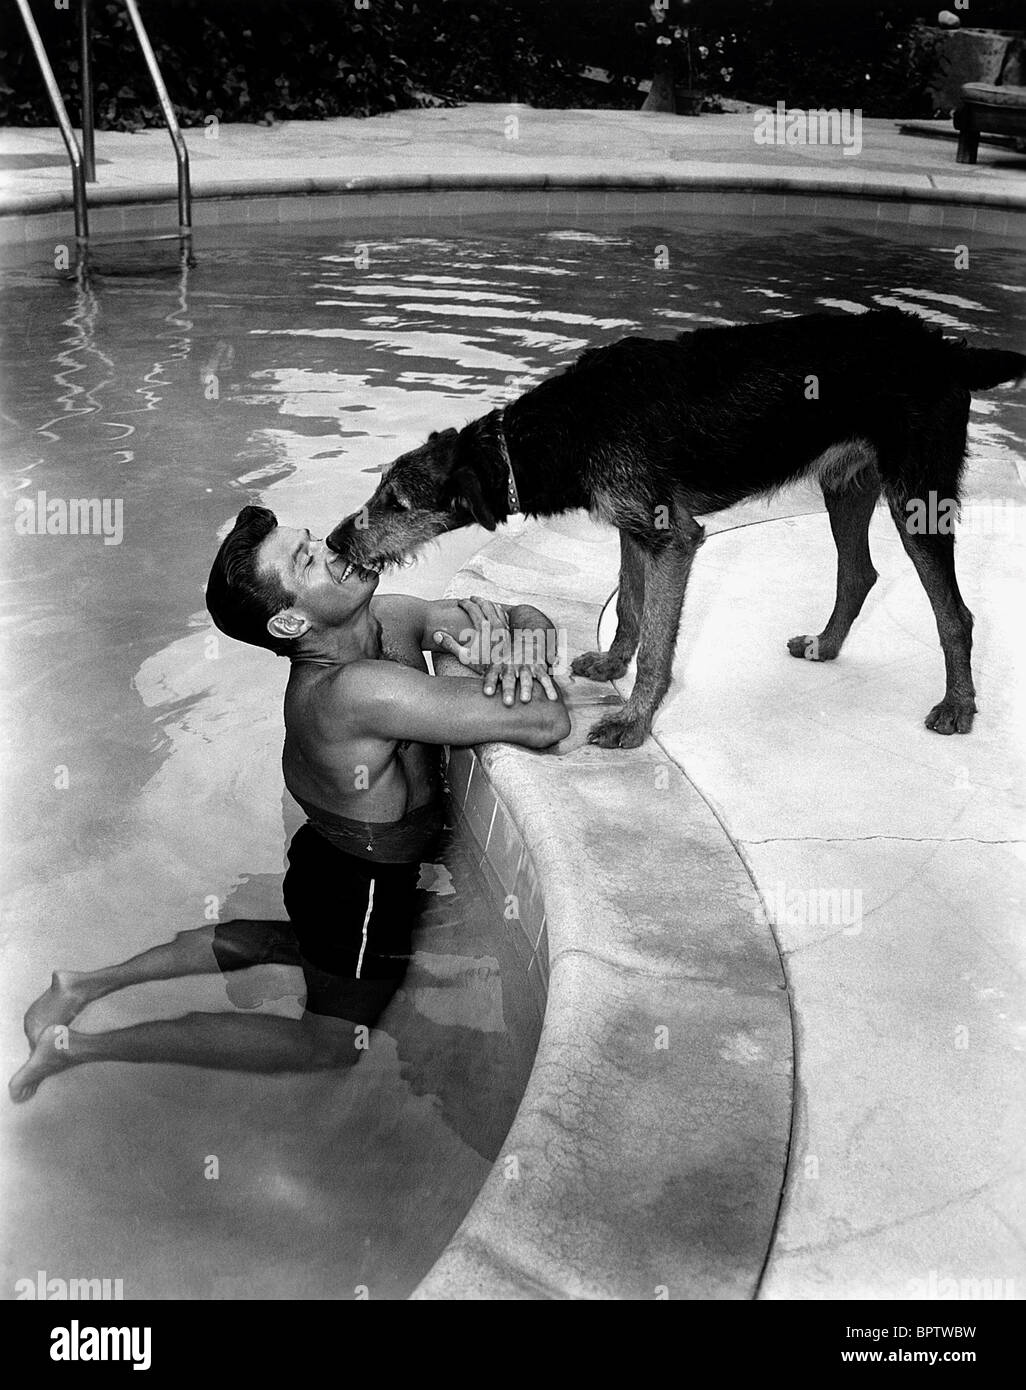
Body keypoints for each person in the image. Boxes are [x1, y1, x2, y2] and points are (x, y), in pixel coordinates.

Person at [10, 504, 570, 1102]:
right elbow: (545, 720)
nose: (337, 547)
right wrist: (512, 656)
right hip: (364, 882)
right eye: (307, 560)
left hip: (328, 853)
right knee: (327, 1048)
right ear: (288, 624)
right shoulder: (352, 692)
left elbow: (519, 616)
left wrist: (524, 650)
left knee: (297, 944)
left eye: (312, 539)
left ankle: (85, 984)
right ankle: (86, 1048)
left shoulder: (390, 617)